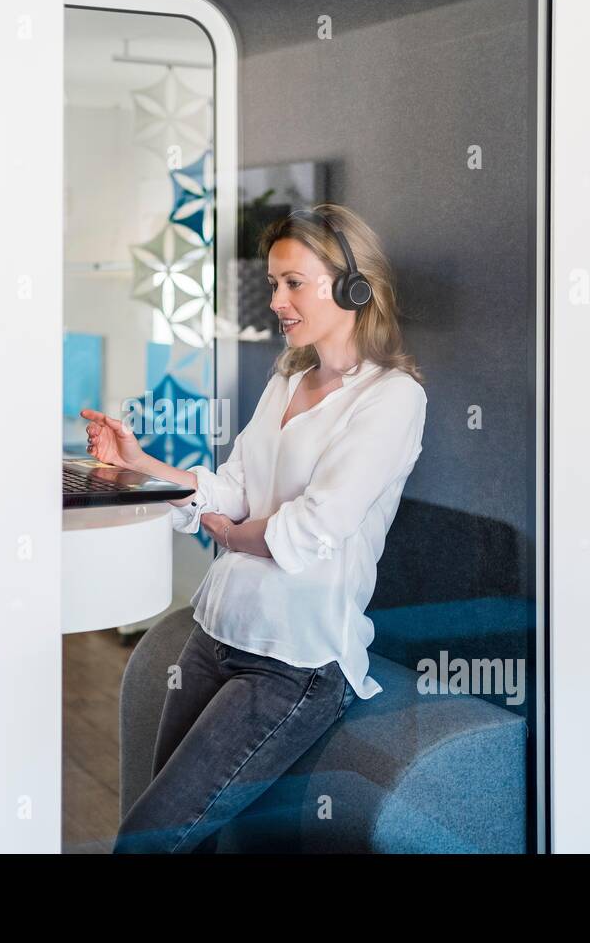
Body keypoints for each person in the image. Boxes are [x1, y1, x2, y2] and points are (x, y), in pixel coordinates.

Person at [81, 204, 427, 853]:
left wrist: (236, 535)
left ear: (353, 284)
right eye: (273, 284)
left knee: (146, 840)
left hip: (292, 662)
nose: (276, 300)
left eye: (293, 283)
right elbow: (234, 488)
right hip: (216, 631)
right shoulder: (289, 375)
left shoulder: (392, 397)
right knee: (181, 835)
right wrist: (140, 464)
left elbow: (317, 525)